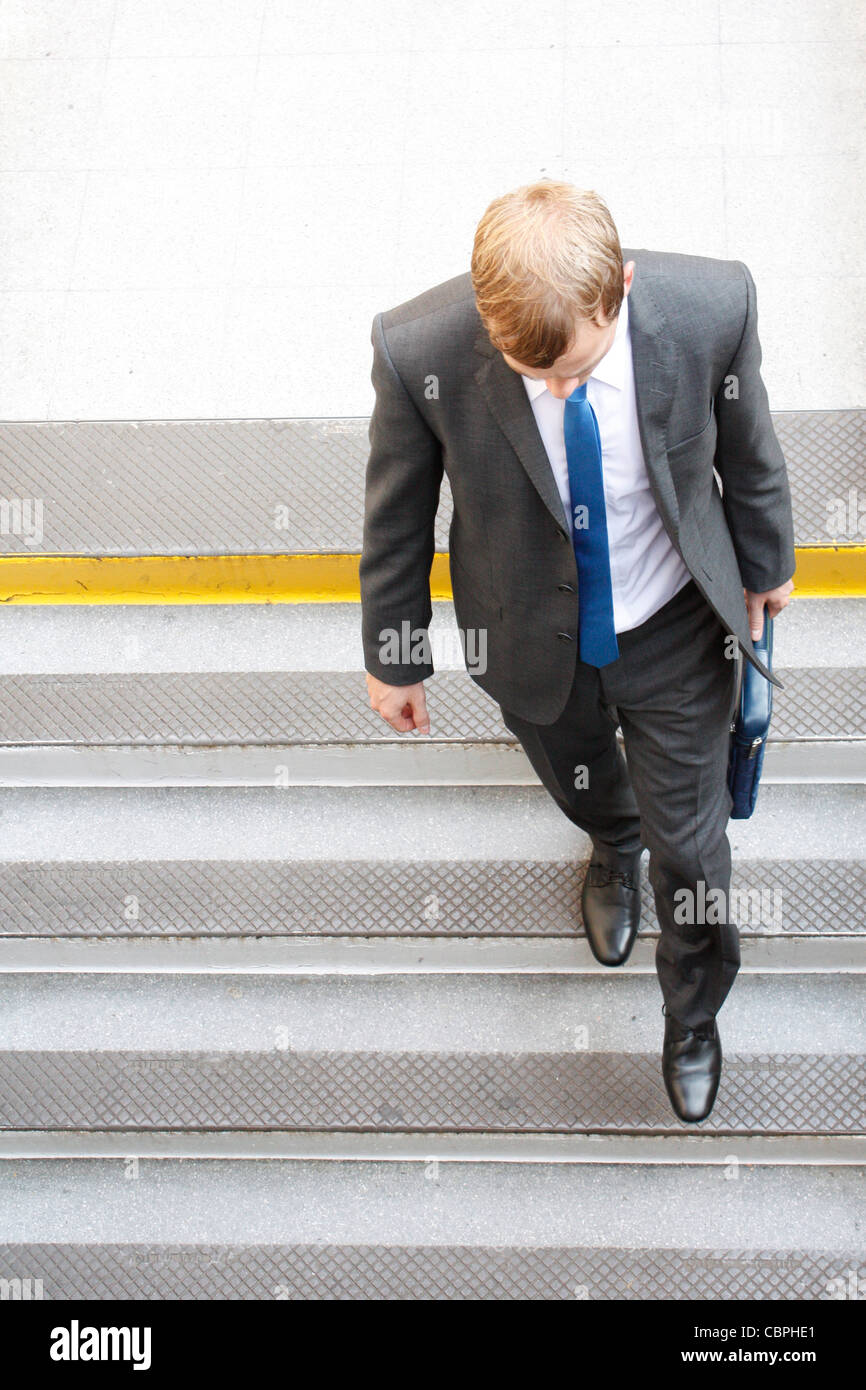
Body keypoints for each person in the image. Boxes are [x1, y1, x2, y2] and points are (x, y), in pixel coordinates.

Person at [359, 180, 795, 1123]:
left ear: (623, 288)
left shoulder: (713, 308)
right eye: (532, 373)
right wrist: (395, 654)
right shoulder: (416, 350)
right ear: (485, 318)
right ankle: (611, 840)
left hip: (674, 625)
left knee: (696, 855)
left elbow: (749, 449)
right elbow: (397, 513)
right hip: (525, 630)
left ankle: (691, 1016)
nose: (556, 393)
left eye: (575, 369)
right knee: (583, 775)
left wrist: (768, 566)